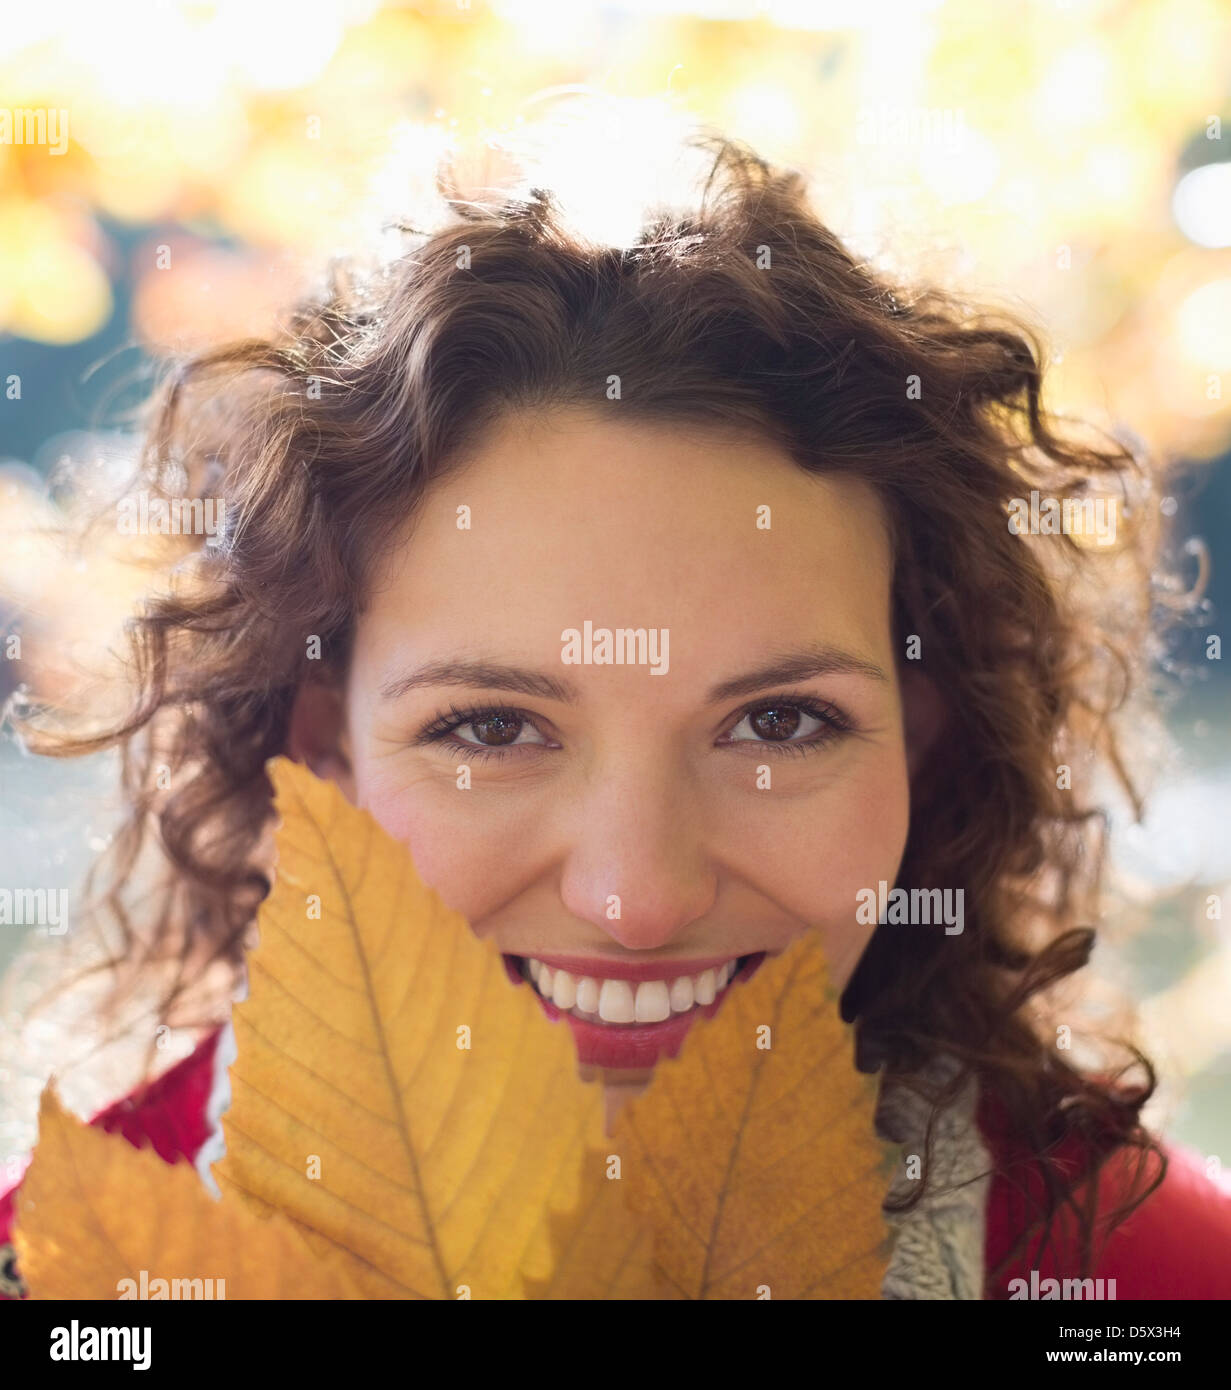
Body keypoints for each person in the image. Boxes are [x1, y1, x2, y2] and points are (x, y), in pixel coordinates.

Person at [3, 128, 1228, 1300]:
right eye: (490, 727)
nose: (637, 901)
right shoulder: (76, 1270)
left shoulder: (1156, 1281)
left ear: (923, 731)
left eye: (780, 724)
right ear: (320, 750)